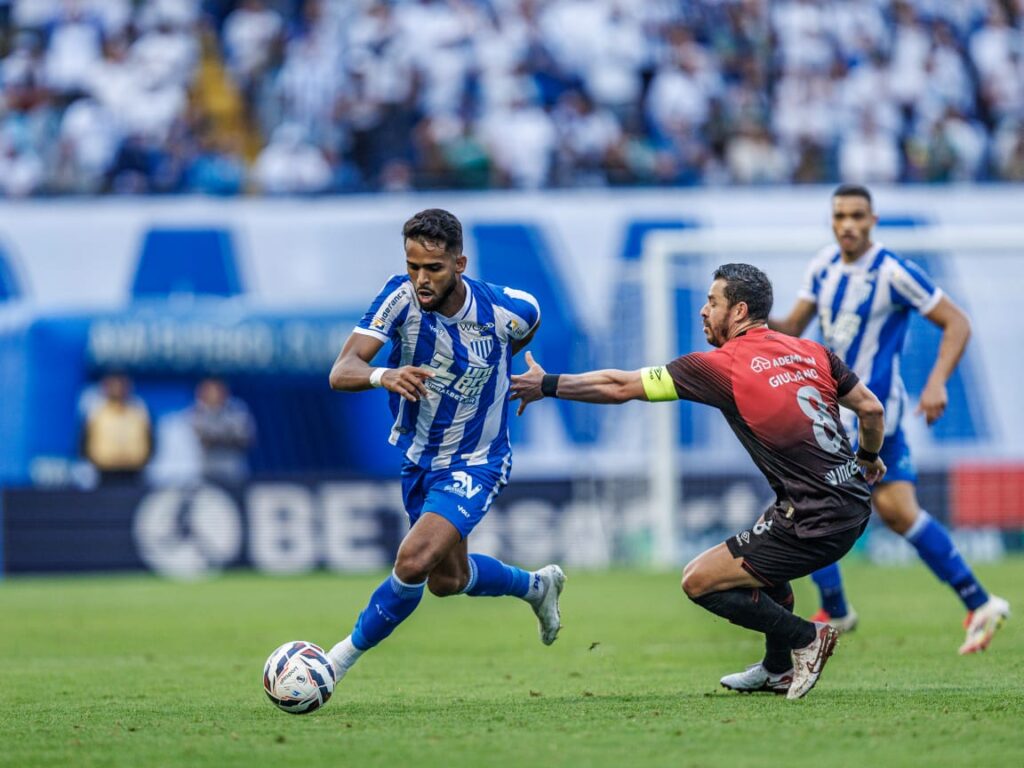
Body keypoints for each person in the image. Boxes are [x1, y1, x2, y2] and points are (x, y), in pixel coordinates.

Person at [511, 263, 886, 700]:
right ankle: (778, 668)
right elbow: (871, 409)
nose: (704, 311)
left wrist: (548, 384)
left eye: (713, 302)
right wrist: (868, 458)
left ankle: (807, 638)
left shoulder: (722, 366)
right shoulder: (811, 351)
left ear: (739, 310)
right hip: (854, 504)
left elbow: (620, 386)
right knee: (756, 567)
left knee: (700, 580)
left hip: (814, 518)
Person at [323, 208, 565, 688]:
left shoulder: (511, 311)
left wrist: (531, 382)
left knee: (412, 560)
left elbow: (522, 334)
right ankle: (537, 586)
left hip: (478, 460)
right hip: (418, 460)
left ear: (461, 263)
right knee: (446, 581)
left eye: (433, 268)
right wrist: (384, 374)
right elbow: (341, 370)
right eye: (413, 266)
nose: (420, 279)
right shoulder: (399, 299)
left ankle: (332, 665)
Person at [770, 184, 1009, 655]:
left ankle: (836, 607)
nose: (848, 225)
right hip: (836, 408)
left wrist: (938, 381)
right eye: (840, 215)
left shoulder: (894, 272)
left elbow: (957, 322)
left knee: (808, 498)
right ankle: (980, 602)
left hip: (873, 410)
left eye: (858, 215)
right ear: (833, 220)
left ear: (873, 220)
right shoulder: (823, 266)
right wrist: (752, 324)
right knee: (899, 511)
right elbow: (794, 328)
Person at [80, 373, 152, 486]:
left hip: (133, 472)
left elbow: (150, 439)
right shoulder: (95, 411)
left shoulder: (139, 409)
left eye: (121, 385)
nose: (117, 389)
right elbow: (84, 440)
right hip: (104, 472)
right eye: (113, 385)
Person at [187, 377, 256, 485]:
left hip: (233, 469)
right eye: (208, 390)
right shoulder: (195, 411)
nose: (212, 394)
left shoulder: (237, 408)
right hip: (207, 469)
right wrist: (227, 435)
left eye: (215, 390)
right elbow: (201, 438)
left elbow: (246, 438)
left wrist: (215, 437)